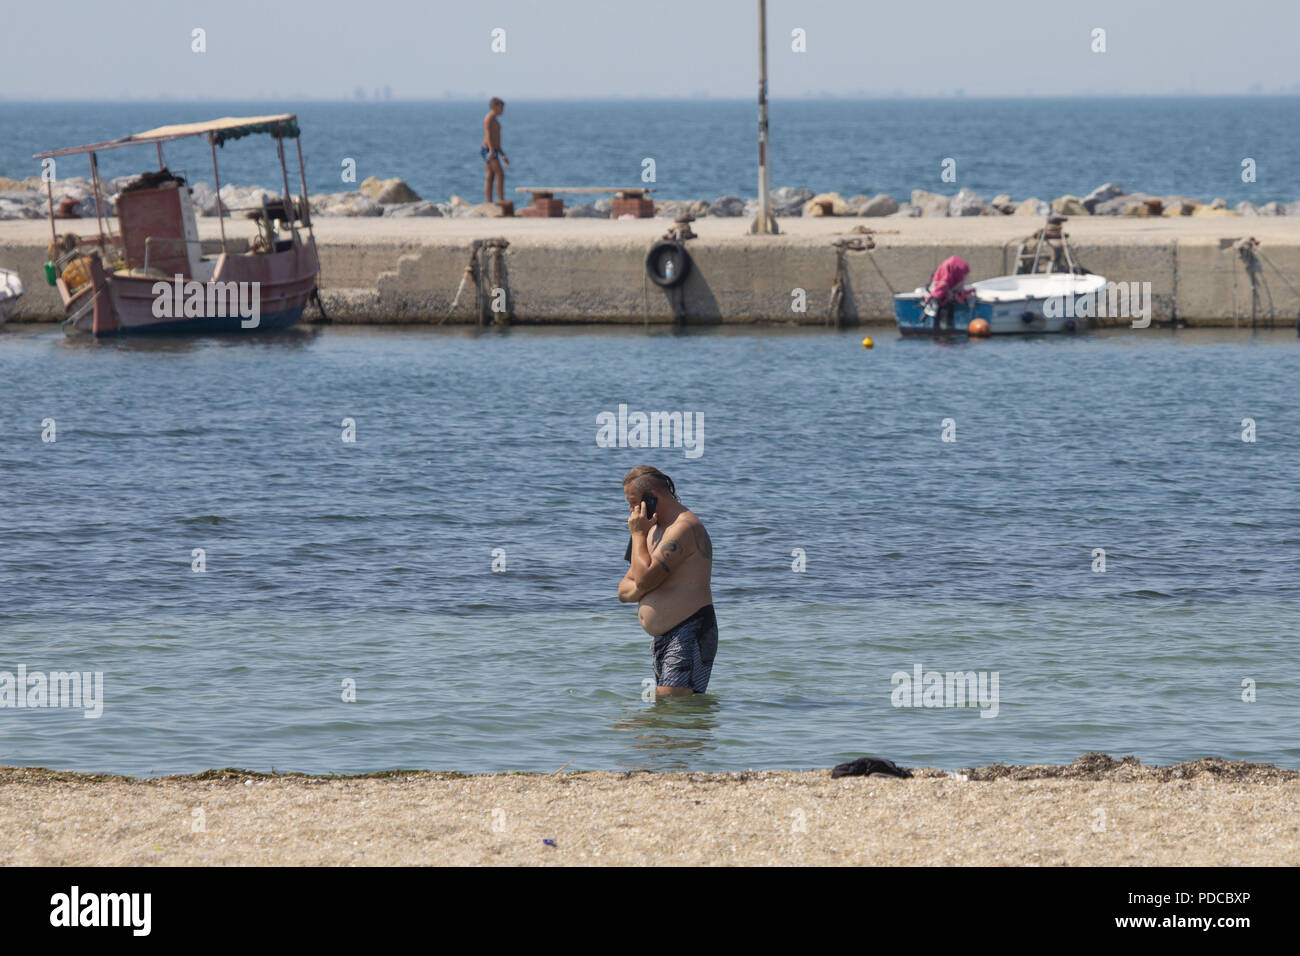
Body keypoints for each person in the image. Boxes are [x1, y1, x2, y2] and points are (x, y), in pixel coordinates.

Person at [617, 466, 717, 696]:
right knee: (668, 721)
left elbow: (642, 578)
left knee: (671, 708)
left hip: (690, 630)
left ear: (652, 497)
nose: (630, 511)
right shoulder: (650, 529)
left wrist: (637, 535)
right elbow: (623, 589)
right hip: (662, 638)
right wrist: (641, 588)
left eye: (633, 503)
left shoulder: (683, 528)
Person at [481, 97, 509, 204]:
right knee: (500, 174)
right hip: (488, 149)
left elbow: (496, 139)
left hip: (494, 149)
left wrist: (502, 154)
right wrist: (492, 151)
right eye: (501, 107)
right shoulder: (488, 118)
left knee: (490, 176)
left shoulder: (495, 120)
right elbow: (488, 136)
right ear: (494, 107)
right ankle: (500, 199)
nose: (502, 110)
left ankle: (490, 202)